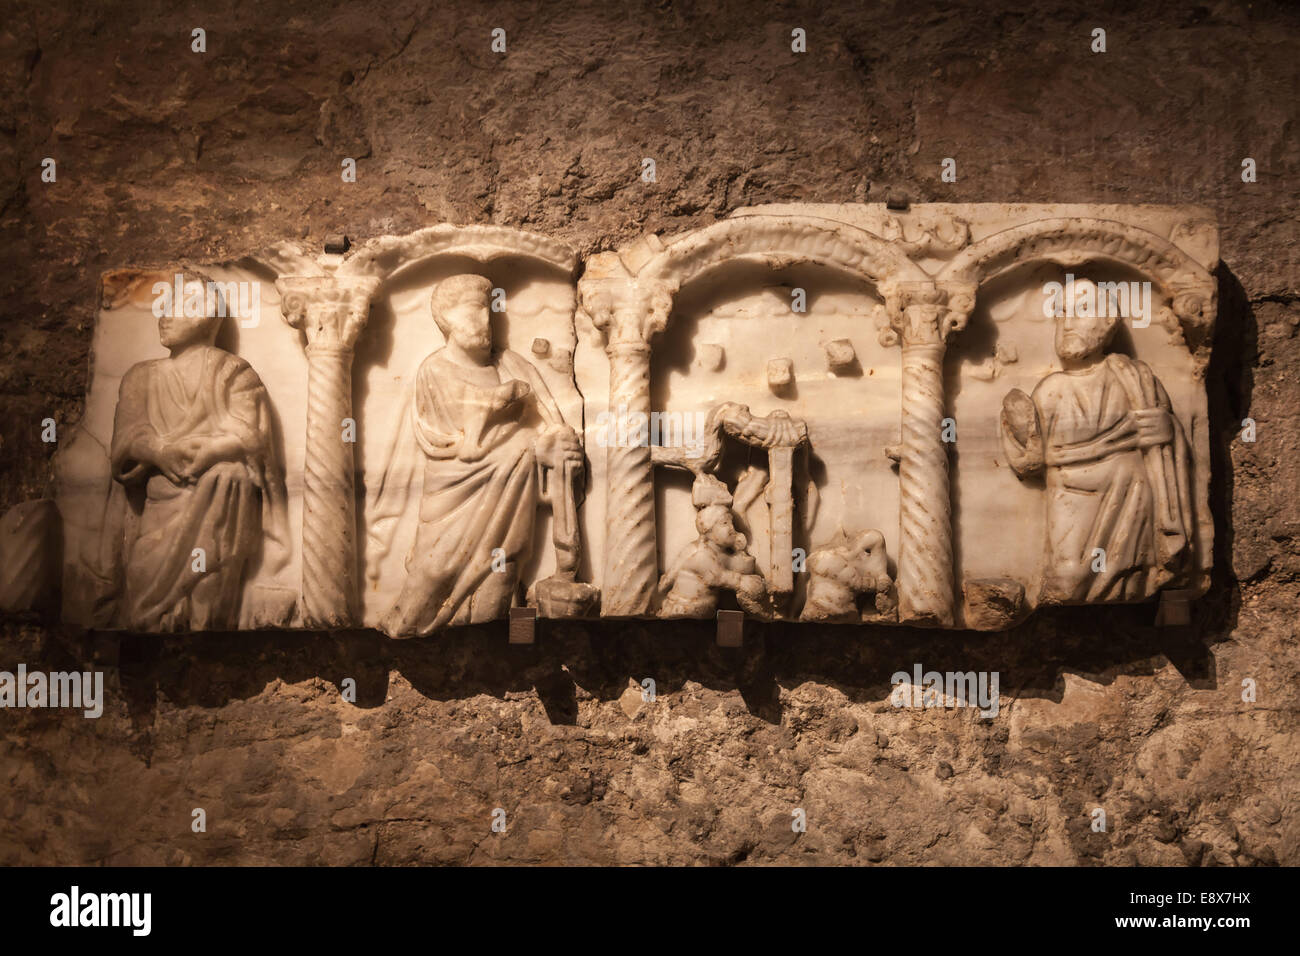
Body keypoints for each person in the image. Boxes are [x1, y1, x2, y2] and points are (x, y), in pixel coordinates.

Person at [369, 274, 582, 635]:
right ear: (446, 321)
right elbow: (457, 441)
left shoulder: (514, 364)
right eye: (472, 314)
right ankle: (407, 625)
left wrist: (559, 442)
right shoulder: (434, 370)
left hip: (514, 490)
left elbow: (552, 420)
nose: (484, 323)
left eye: (488, 313)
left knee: (505, 565)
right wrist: (528, 441)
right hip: (452, 491)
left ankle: (490, 639)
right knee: (434, 568)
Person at [1000, 280, 1195, 603]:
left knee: (1130, 579)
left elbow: (1171, 446)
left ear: (1107, 324)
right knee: (1066, 582)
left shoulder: (1135, 378)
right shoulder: (1051, 389)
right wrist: (1018, 426)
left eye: (1082, 311)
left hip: (1132, 501)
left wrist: (1166, 428)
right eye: (1062, 314)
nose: (1069, 322)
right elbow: (1031, 462)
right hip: (1072, 501)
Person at [110, 300, 289, 630]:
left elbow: (251, 434)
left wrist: (210, 450)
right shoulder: (141, 376)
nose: (164, 316)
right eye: (163, 308)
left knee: (229, 476)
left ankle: (205, 627)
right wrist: (160, 451)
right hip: (160, 499)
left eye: (180, 308)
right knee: (143, 587)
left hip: (216, 498)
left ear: (208, 318)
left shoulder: (232, 372)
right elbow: (125, 442)